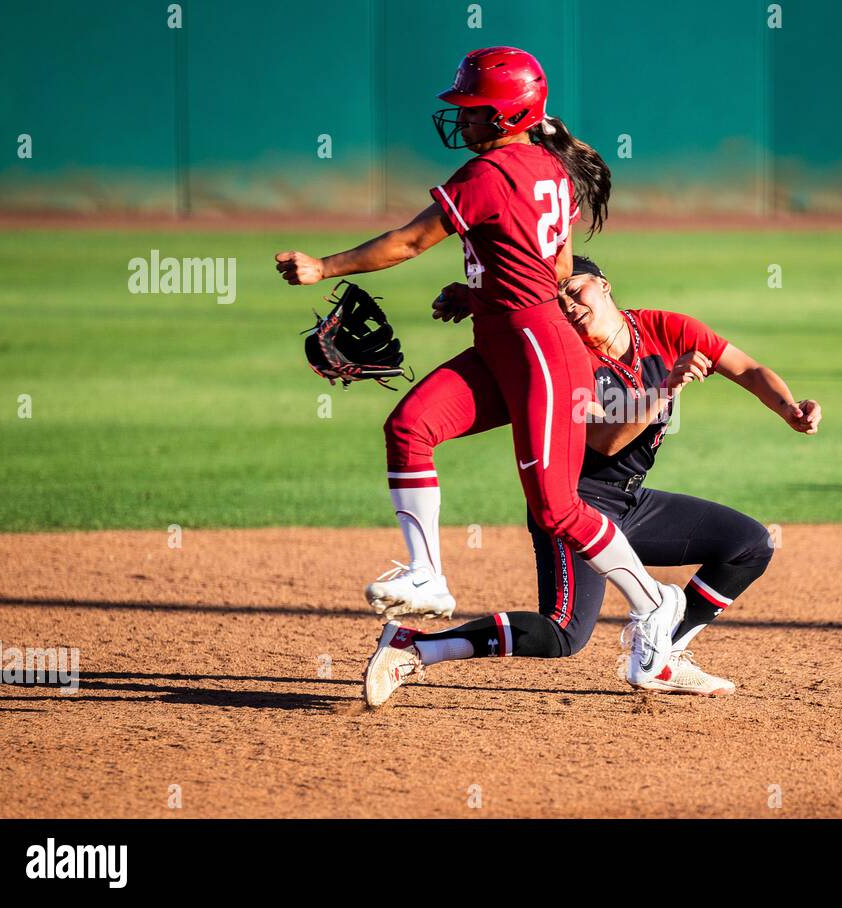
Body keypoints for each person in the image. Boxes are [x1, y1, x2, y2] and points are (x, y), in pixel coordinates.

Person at [272, 47, 685, 705]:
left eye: (473, 108)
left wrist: (325, 266)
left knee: (556, 508)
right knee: (410, 426)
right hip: (506, 341)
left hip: (540, 352)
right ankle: (427, 575)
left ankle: (654, 601)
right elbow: (554, 270)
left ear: (509, 114)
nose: (461, 118)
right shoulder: (547, 166)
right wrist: (480, 295)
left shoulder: (487, 173)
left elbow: (409, 242)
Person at [363, 255, 822, 699]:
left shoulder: (663, 327)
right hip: (571, 505)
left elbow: (747, 368)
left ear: (603, 284)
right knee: (564, 633)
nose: (568, 304)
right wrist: (665, 388)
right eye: (557, 301)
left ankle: (662, 655)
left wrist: (789, 408)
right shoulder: (563, 358)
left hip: (630, 502)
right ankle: (415, 646)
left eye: (574, 288)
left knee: (748, 545)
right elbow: (606, 440)